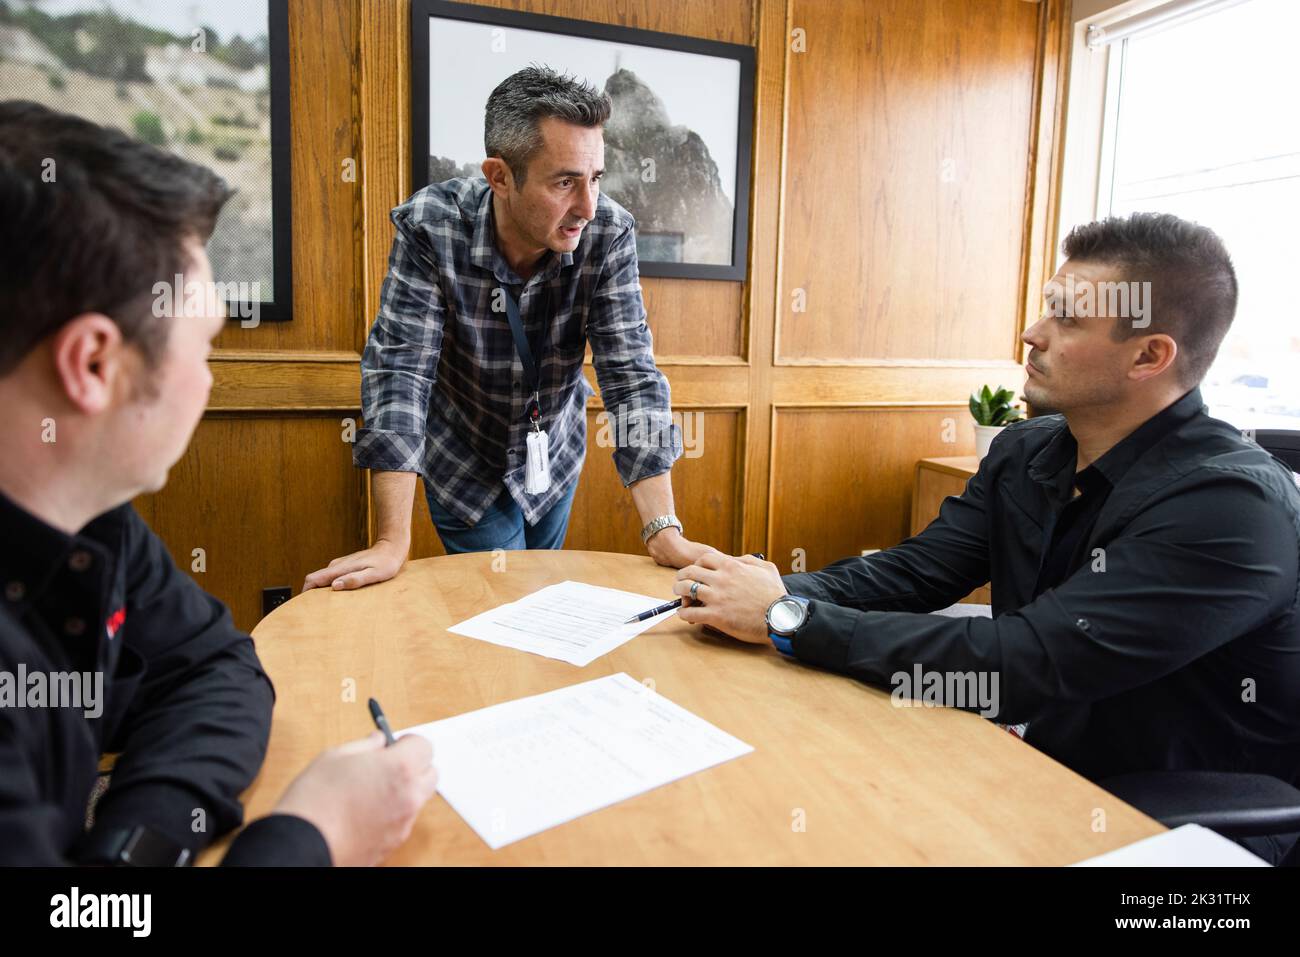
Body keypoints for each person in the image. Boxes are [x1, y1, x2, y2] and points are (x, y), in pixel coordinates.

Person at [671, 213, 1300, 863]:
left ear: (1150, 355)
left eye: (1068, 318)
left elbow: (1028, 661)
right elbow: (919, 571)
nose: (1032, 333)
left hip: (1178, 824)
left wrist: (788, 619)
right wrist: (769, 589)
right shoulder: (1030, 448)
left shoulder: (1232, 507)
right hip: (1037, 764)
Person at [0, 100, 438, 866]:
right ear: (93, 365)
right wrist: (312, 835)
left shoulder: (93, 519)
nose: (207, 383)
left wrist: (134, 853)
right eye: (202, 348)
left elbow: (212, 667)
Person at [305, 66, 711, 592]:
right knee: (507, 600)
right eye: (565, 181)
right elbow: (399, 371)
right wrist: (391, 541)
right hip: (465, 458)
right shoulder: (432, 226)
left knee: (539, 595)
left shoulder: (608, 233)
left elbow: (631, 376)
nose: (587, 207)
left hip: (554, 456)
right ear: (499, 176)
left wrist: (663, 531)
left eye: (596, 179)